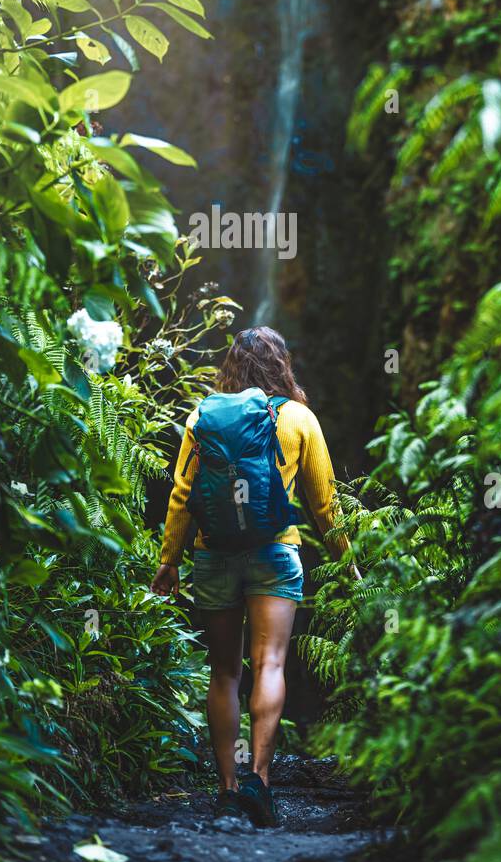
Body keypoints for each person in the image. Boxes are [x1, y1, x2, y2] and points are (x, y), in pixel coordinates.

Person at [150, 325, 360, 827]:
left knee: (224, 672)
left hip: (214, 556)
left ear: (231, 368)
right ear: (282, 365)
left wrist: (169, 560)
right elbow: (325, 503)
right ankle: (259, 784)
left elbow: (182, 493)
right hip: (274, 553)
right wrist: (345, 559)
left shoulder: (203, 415)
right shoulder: (299, 419)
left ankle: (226, 789)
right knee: (268, 665)